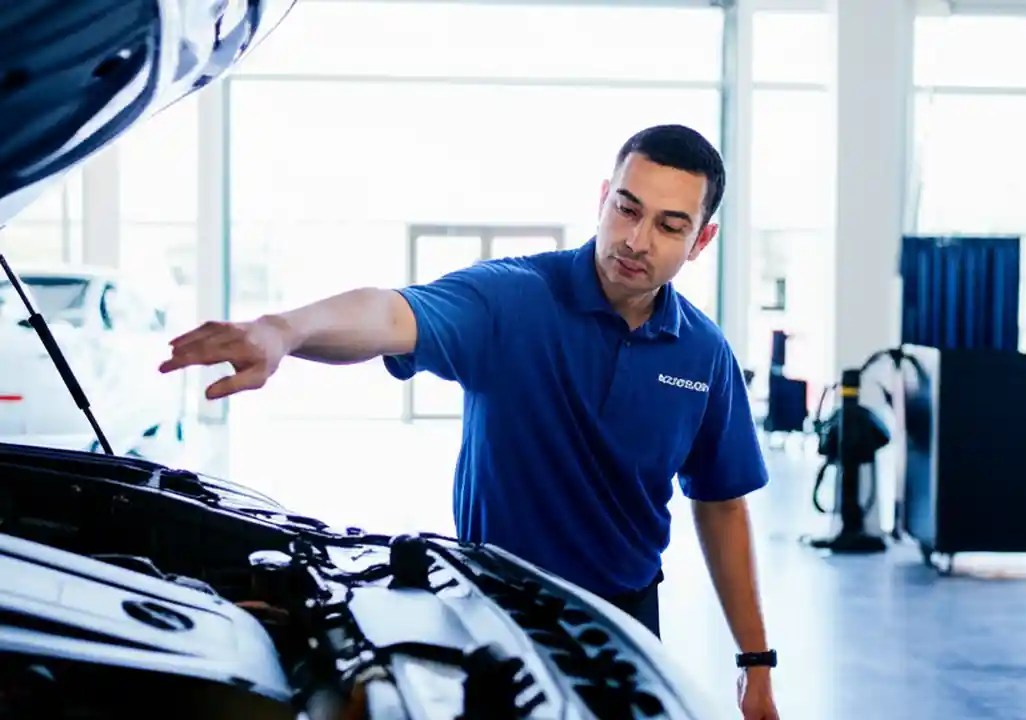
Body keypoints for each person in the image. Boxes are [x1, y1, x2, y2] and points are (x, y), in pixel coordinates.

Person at [159, 124, 781, 720]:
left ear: (701, 241)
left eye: (670, 226)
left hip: (626, 619)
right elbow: (389, 315)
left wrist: (755, 662)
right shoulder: (514, 298)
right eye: (627, 208)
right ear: (603, 199)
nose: (637, 240)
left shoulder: (703, 355)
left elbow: (722, 504)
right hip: (492, 607)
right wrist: (285, 331)